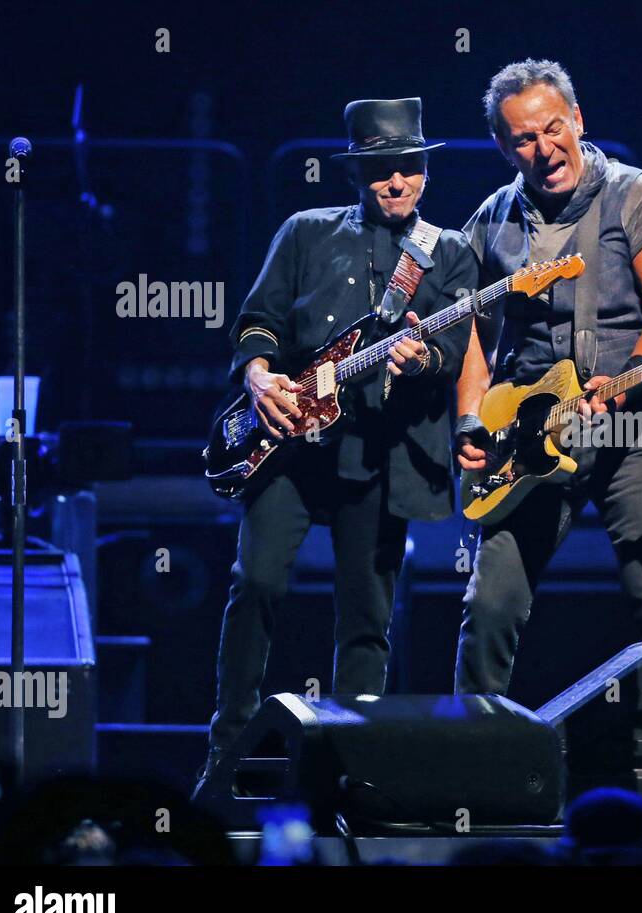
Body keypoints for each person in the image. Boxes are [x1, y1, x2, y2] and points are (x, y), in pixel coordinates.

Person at [453, 60, 642, 828]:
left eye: (554, 127)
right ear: (503, 146)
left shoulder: (637, 194)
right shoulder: (490, 221)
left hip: (627, 428)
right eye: (524, 138)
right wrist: (472, 427)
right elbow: (475, 344)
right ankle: (464, 772)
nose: (544, 146)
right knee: (490, 605)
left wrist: (615, 386)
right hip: (529, 441)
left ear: (579, 119)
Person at [197, 98, 478, 788]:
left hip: (380, 453)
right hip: (290, 447)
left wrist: (425, 362)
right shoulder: (304, 233)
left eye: (409, 169)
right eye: (382, 170)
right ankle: (227, 755)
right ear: (356, 173)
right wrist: (261, 378)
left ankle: (350, 769)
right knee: (256, 581)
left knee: (366, 615)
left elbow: (453, 351)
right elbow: (258, 322)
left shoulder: (450, 254)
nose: (397, 183)